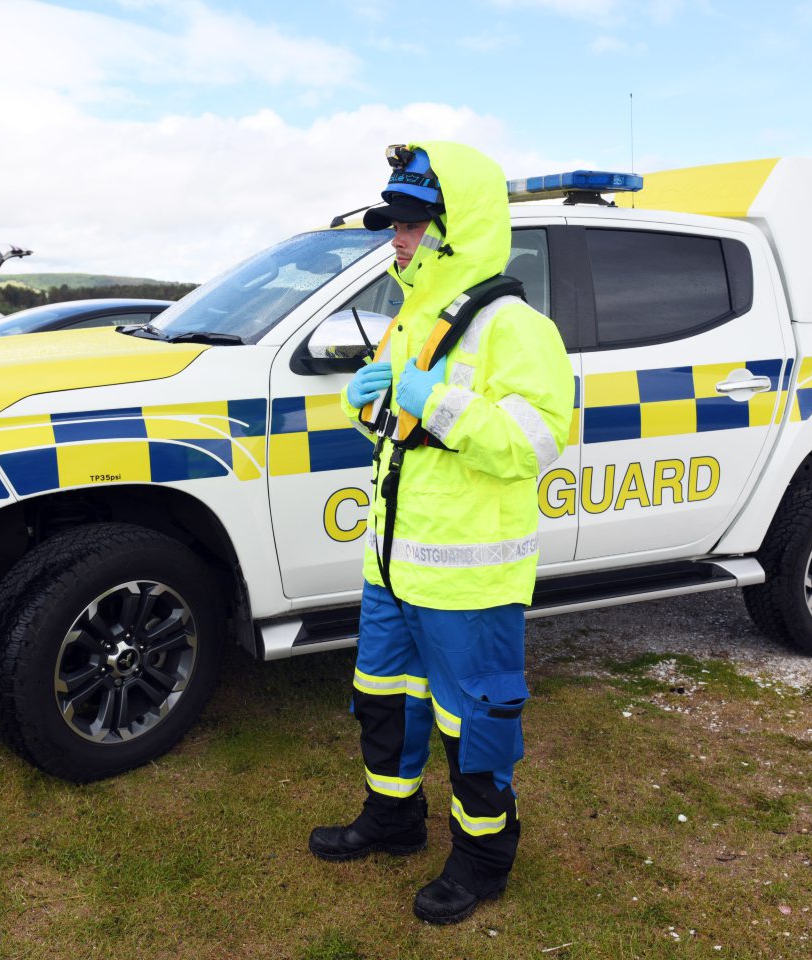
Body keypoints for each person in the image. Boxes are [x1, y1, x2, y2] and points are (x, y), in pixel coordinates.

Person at [309, 142, 574, 925]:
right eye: (394, 223)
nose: (397, 238)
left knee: (475, 724)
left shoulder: (515, 326)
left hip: (470, 578)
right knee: (384, 699)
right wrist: (367, 404)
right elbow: (398, 432)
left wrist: (432, 400)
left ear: (458, 227)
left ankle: (483, 858)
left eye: (412, 222)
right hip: (393, 567)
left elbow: (533, 442)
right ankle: (392, 820)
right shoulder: (414, 318)